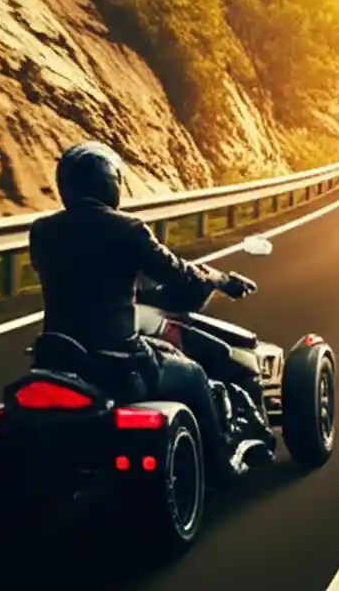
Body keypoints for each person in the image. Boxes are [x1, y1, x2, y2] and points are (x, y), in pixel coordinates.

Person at [28, 140, 274, 482]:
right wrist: (219, 279)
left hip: (58, 359)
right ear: (109, 183)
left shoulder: (42, 231)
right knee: (194, 376)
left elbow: (80, 273)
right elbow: (178, 274)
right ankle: (219, 465)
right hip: (117, 362)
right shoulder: (127, 229)